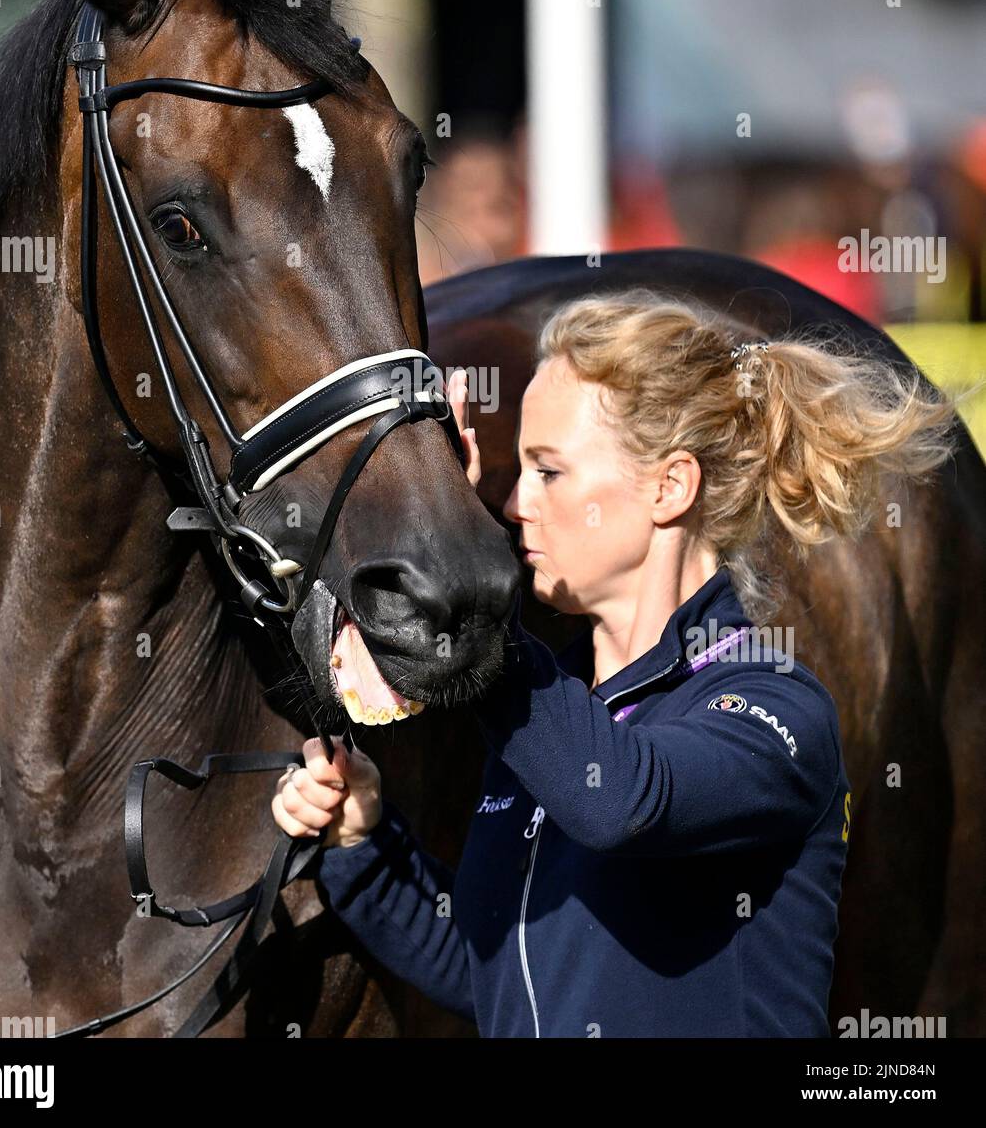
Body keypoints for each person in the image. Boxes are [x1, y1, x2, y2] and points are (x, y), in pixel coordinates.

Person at [272, 292, 957, 1038]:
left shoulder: (774, 707)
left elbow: (621, 801)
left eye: (548, 472)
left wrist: (469, 605)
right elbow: (500, 975)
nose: (509, 503)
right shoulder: (556, 714)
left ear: (670, 487)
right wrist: (362, 845)